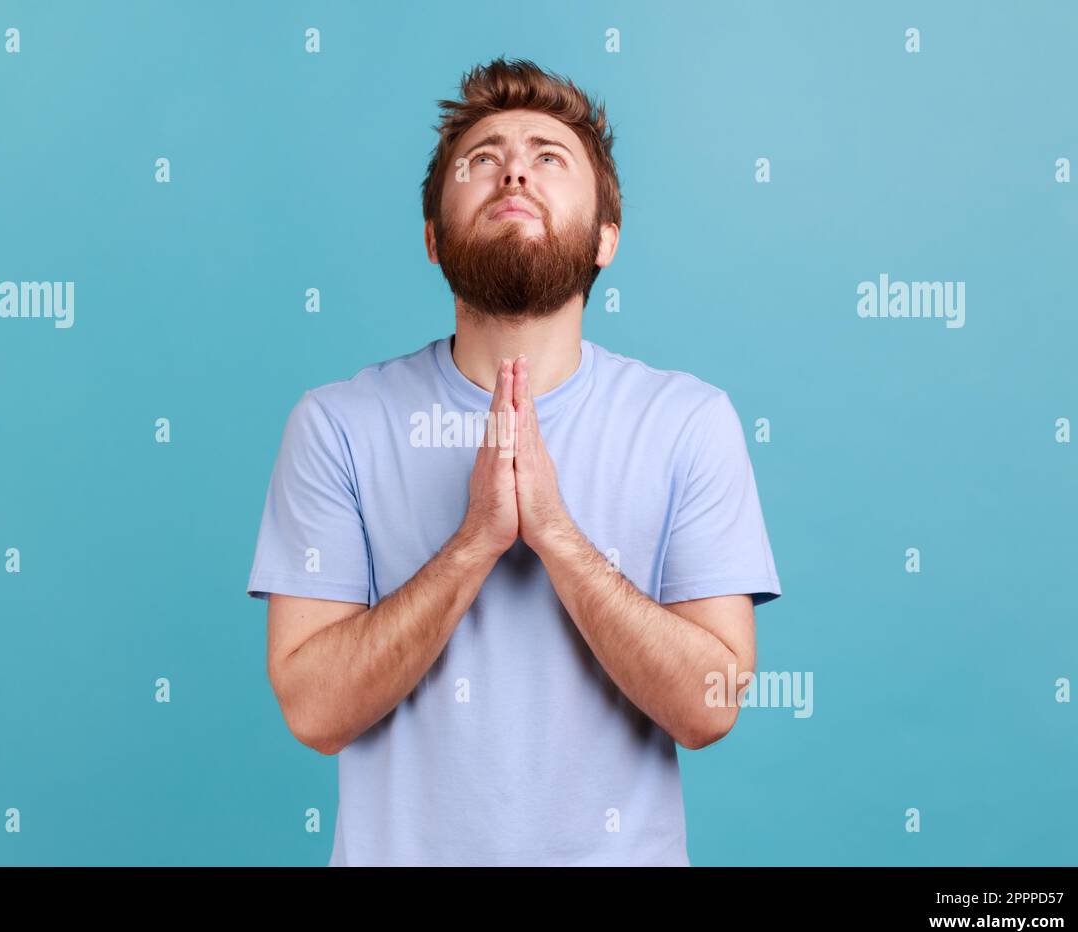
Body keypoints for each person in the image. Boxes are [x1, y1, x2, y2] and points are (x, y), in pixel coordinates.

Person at [247, 57, 782, 866]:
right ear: (432, 237)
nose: (515, 171)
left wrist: (558, 537)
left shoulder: (688, 422)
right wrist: (475, 542)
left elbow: (710, 707)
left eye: (548, 157)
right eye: (483, 160)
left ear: (607, 237)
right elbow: (313, 711)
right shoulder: (336, 426)